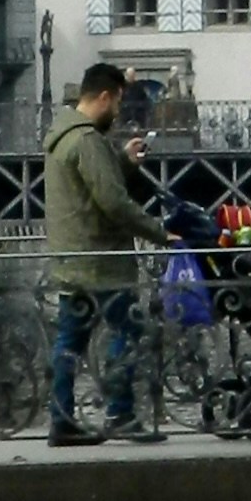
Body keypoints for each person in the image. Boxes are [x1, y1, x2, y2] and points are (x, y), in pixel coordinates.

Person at [45, 62, 152, 445]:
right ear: (104, 97)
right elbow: (113, 203)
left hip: (71, 258)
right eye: (118, 103)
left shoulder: (64, 134)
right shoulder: (88, 140)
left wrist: (122, 161)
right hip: (100, 261)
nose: (120, 112)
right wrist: (159, 233)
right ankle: (120, 412)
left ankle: (61, 420)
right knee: (131, 328)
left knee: (69, 343)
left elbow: (91, 187)